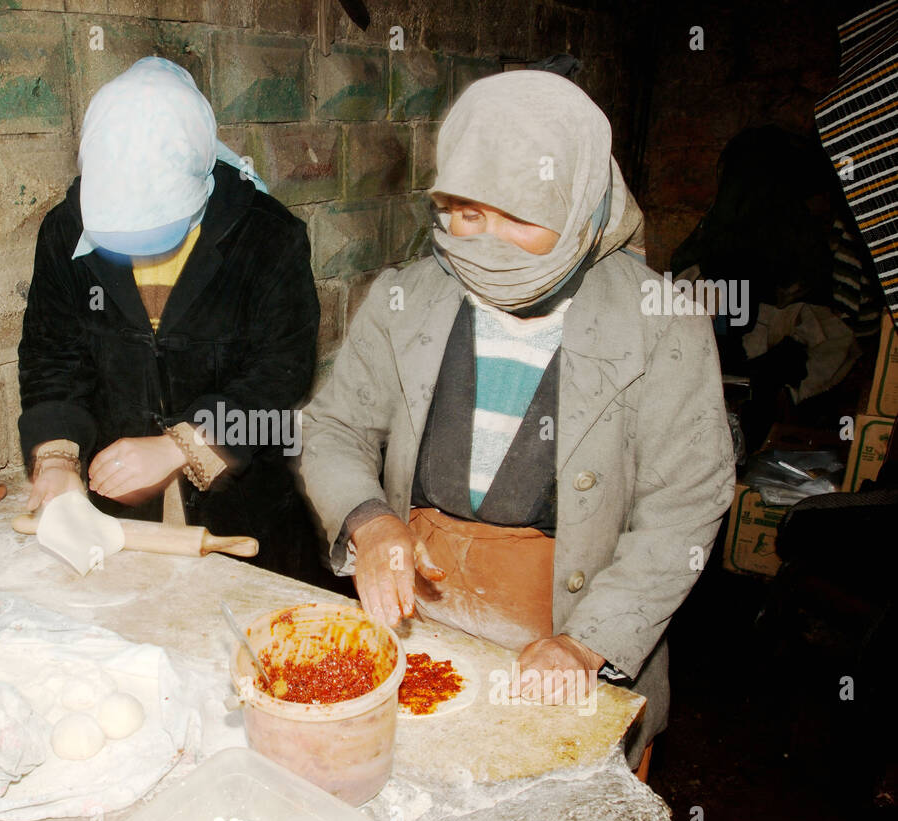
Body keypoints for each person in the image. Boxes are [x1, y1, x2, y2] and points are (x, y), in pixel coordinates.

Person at [297, 71, 736, 775]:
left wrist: (587, 642)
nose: (488, 241)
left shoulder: (661, 322)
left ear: (585, 207)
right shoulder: (405, 299)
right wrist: (370, 520)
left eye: (520, 218)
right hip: (424, 635)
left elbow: (684, 507)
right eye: (466, 214)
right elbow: (333, 428)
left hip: (572, 649)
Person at [17, 58, 322, 581]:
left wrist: (182, 445)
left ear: (196, 184)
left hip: (242, 511)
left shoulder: (268, 239)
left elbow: (280, 377)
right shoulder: (65, 232)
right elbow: (52, 356)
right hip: (114, 515)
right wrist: (56, 460)